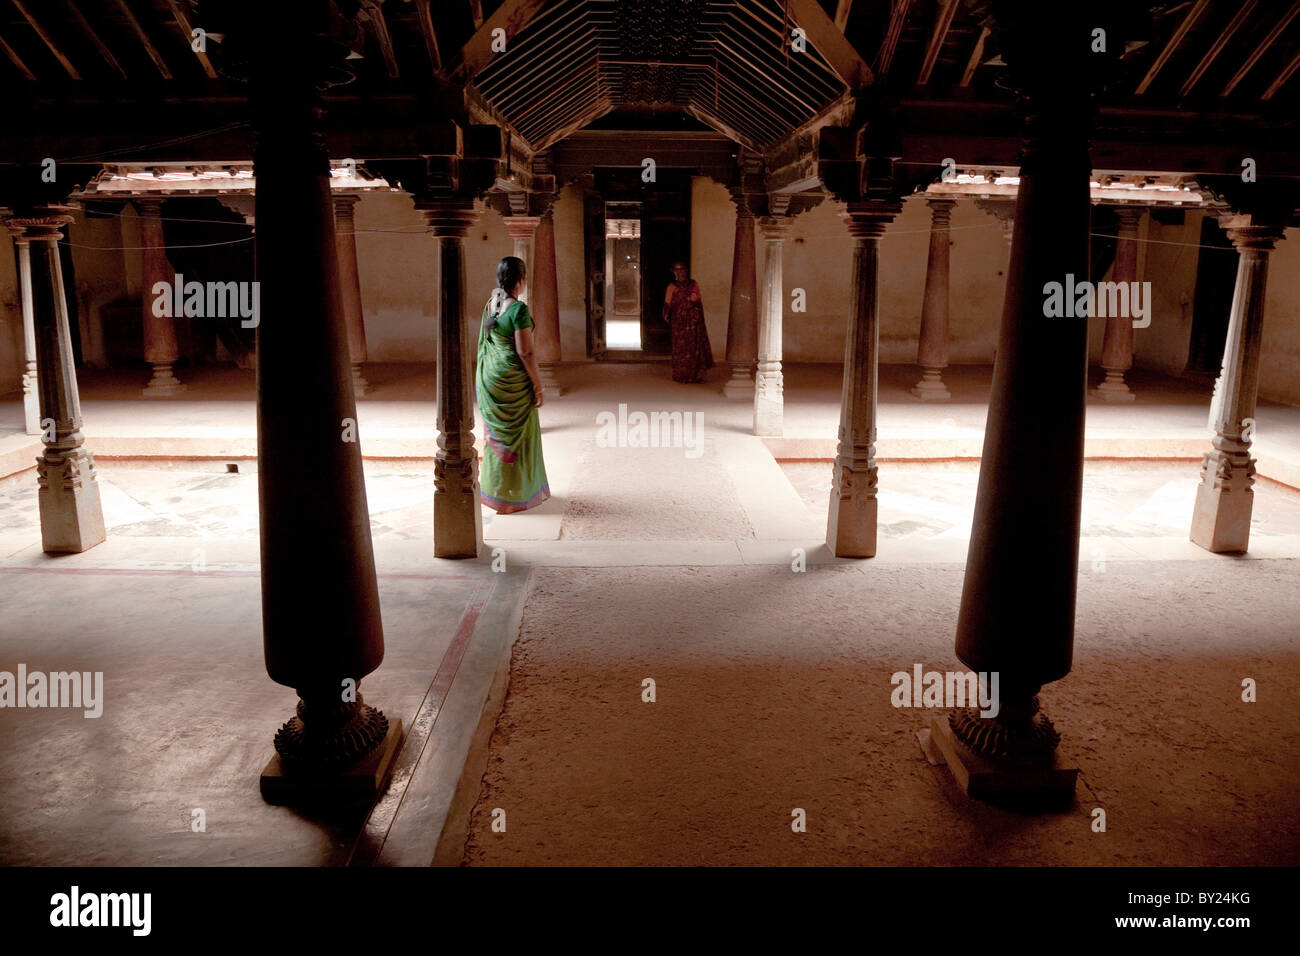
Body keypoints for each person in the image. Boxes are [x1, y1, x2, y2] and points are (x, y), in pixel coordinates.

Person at [476, 256, 550, 514]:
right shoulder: (518, 310)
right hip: (513, 380)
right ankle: (515, 496)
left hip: (491, 378)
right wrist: (537, 385)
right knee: (520, 436)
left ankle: (497, 495)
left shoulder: (491, 304)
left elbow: (489, 341)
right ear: (521, 279)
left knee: (498, 438)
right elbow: (525, 352)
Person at [661, 260, 714, 383]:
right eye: (678, 270)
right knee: (681, 349)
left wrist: (692, 303)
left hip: (693, 322)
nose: (681, 273)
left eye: (683, 270)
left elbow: (697, 301)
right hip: (679, 323)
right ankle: (682, 375)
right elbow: (667, 304)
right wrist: (666, 316)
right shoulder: (671, 287)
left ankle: (696, 375)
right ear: (674, 272)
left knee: (694, 347)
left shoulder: (693, 284)